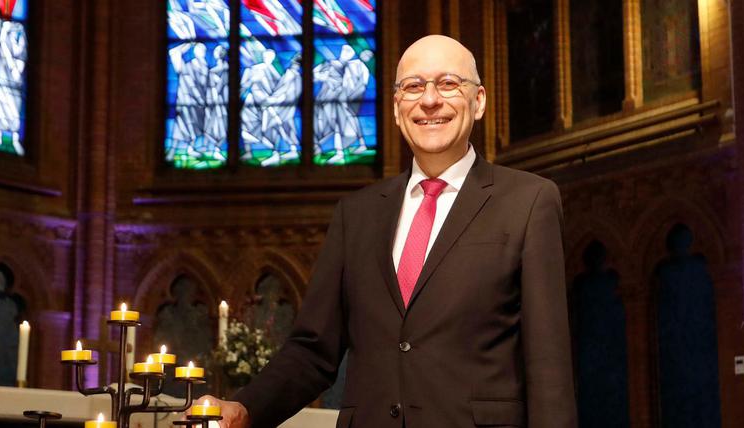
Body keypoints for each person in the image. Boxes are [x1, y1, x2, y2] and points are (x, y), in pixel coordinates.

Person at [195, 35, 576, 428]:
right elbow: (313, 350)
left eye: (448, 83)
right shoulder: (356, 214)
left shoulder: (528, 202)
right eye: (413, 87)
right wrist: (245, 407)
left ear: (478, 100)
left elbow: (549, 366)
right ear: (396, 109)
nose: (429, 101)